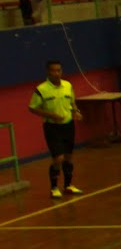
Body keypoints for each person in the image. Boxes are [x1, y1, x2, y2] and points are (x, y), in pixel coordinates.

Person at [29, 59, 82, 199]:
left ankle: (68, 185)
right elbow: (32, 108)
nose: (56, 73)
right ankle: (54, 187)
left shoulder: (68, 85)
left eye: (59, 70)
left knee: (69, 157)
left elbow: (72, 102)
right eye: (53, 71)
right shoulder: (41, 89)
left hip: (68, 125)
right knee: (58, 158)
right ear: (48, 72)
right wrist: (50, 114)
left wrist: (75, 111)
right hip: (52, 127)